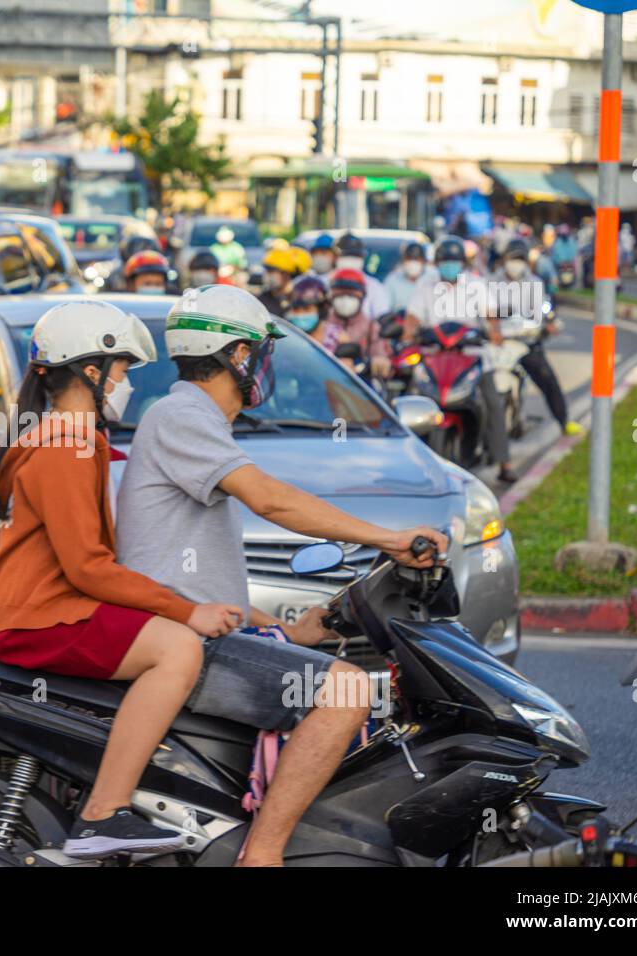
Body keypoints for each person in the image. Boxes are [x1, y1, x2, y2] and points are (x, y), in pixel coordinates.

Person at [115, 283, 448, 866]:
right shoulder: (181, 415)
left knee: (330, 675)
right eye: (260, 355)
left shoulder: (191, 420)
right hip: (184, 646)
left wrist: (287, 627)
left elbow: (194, 576)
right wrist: (389, 538)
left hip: (196, 631)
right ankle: (263, 855)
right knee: (345, 690)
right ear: (238, 358)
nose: (262, 368)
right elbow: (273, 501)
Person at [0, 299, 243, 859]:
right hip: (39, 618)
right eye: (120, 371)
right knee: (177, 651)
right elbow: (87, 567)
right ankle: (103, 814)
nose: (126, 385)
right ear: (90, 372)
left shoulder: (69, 439)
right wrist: (185, 611)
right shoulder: (67, 445)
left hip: (45, 611)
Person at [406, 237, 518, 482]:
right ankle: (406, 460)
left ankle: (504, 462)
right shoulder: (427, 285)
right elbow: (412, 318)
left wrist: (493, 331)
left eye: (454, 262)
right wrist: (409, 333)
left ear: (462, 264)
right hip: (436, 359)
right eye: (445, 261)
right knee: (411, 400)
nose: (449, 266)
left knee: (492, 402)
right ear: (437, 263)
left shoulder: (476, 285)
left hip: (472, 358)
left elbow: (491, 316)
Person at [488, 239, 580, 437]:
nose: (516, 263)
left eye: (520, 259)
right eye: (513, 258)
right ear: (504, 259)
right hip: (497, 344)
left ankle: (564, 421)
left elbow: (545, 307)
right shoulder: (491, 282)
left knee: (548, 380)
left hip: (526, 343)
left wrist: (551, 320)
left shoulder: (534, 283)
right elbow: (483, 311)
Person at [324, 269, 392, 381]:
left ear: (362, 297)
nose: (345, 300)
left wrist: (379, 360)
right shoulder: (324, 323)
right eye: (340, 295)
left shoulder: (371, 326)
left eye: (351, 295)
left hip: (360, 383)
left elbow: (379, 350)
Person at [333, 233, 389, 321]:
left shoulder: (374, 287)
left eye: (355, 256)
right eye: (345, 256)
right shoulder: (325, 282)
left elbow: (382, 317)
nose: (350, 260)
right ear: (335, 258)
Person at [383, 240, 433, 313]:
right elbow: (385, 308)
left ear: (424, 261)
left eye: (416, 259)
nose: (413, 263)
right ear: (403, 261)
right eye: (409, 259)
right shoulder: (392, 280)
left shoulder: (433, 276)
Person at [257, 246, 300, 317]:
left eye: (271, 271)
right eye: (267, 271)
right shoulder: (262, 300)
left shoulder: (299, 297)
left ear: (286, 274)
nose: (268, 275)